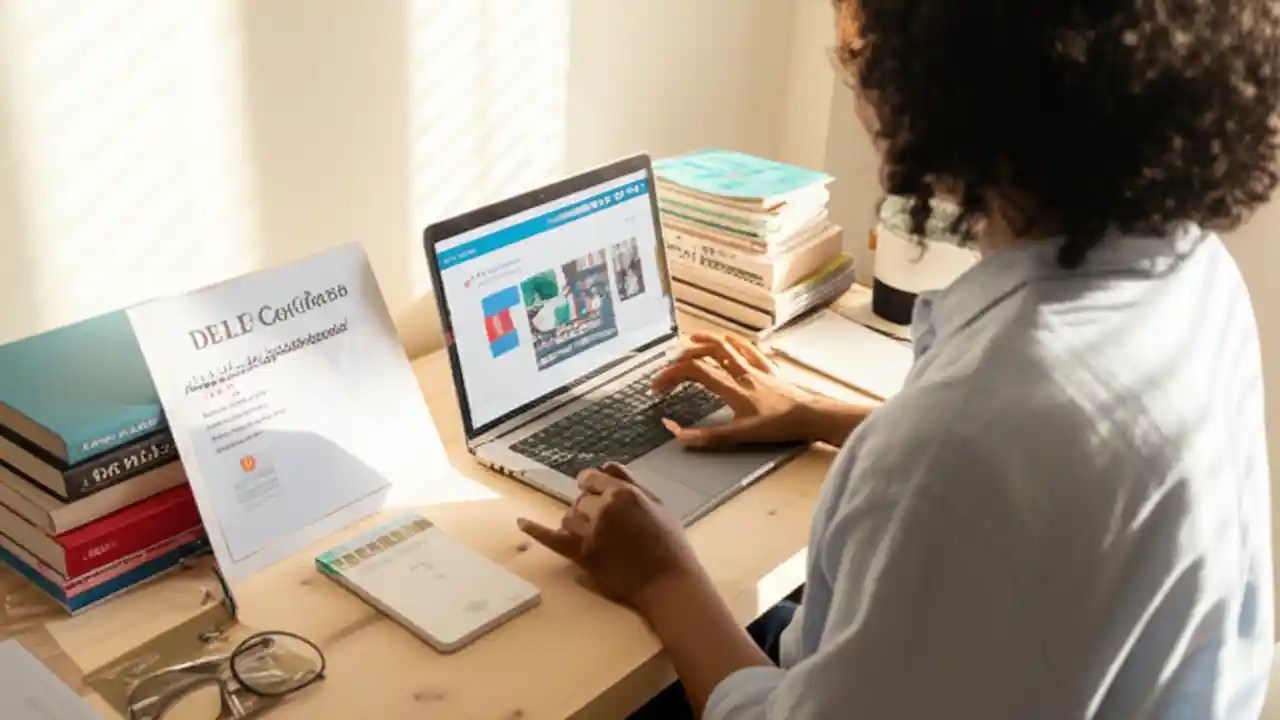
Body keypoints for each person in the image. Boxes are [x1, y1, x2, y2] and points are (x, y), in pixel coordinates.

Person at [519, 0, 1280, 717]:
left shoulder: (966, 440)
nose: (858, 78)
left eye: (867, 47)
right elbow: (1039, 480)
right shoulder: (1193, 274)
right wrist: (828, 416)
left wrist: (664, 574)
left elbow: (980, 463)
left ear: (952, 82)